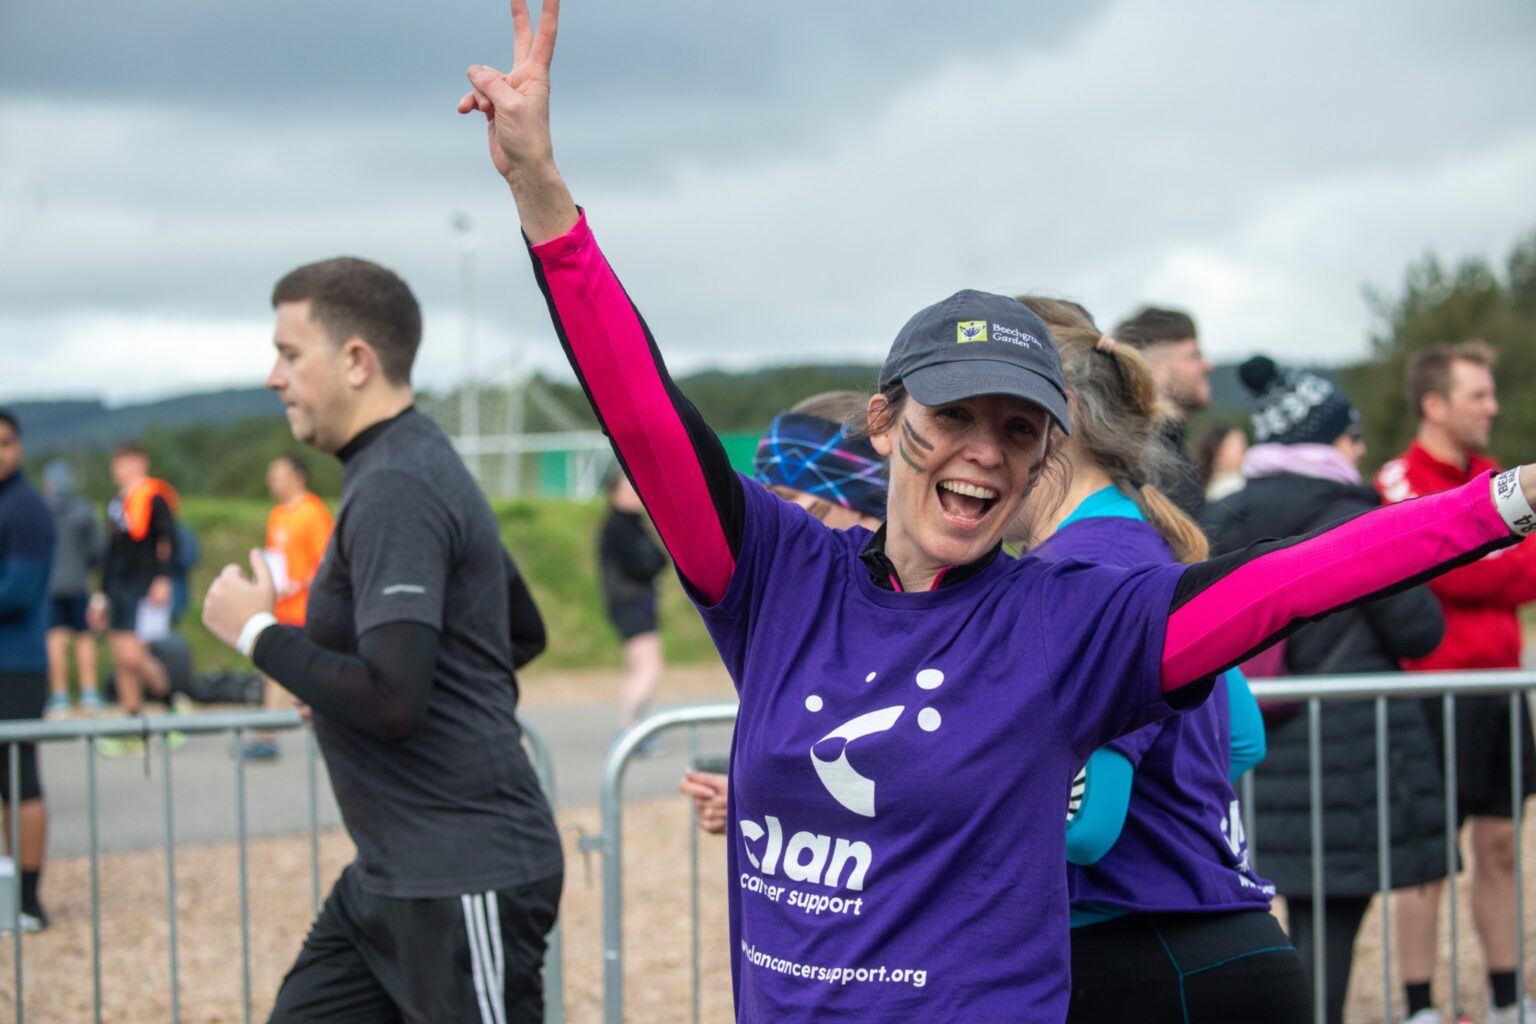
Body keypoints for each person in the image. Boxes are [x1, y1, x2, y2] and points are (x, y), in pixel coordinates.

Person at [459, 7, 1536, 1016]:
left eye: (1017, 430)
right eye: (954, 415)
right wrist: (542, 193)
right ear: (885, 422)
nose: (982, 452)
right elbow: (644, 418)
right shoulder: (780, 576)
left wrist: (1510, 498)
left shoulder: (1068, 624)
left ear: (1041, 460)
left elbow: (1289, 582)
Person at [201, 254, 562, 1023]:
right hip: (391, 876)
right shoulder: (402, 463)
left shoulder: (398, 483)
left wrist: (258, 633)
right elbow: (516, 631)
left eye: (290, 354)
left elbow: (395, 701)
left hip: (463, 872)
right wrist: (336, 690)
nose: (273, 376)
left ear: (357, 360)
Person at [1005, 300, 1300, 1022]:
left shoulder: (1081, 574)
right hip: (1215, 945)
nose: (979, 452)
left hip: (1136, 959)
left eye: (1001, 422)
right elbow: (1242, 737)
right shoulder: (1140, 546)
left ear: (1061, 419)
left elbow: (1085, 826)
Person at [1204, 356, 1450, 1024]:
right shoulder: (1349, 512)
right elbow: (1419, 628)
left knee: (1280, 918)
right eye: (1351, 436)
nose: (1361, 449)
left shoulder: (1219, 514)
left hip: (1251, 751)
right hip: (1348, 756)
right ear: (1324, 441)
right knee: (1334, 920)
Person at [1375, 341, 1536, 1024]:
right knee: (1426, 859)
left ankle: (1506, 997)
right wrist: (1492, 561)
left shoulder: (1498, 477)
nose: (1492, 407)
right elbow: (1444, 565)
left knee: (1500, 846)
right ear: (1434, 404)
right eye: (1478, 395)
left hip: (1499, 689)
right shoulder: (1398, 478)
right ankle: (1418, 1006)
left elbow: (1514, 570)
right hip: (1428, 696)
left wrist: (1487, 559)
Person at [679, 391, 888, 835]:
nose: (775, 529)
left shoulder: (940, 613)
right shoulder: (796, 608)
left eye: (789, 503)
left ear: (864, 497)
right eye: (766, 504)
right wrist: (749, 799)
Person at [0, 410, 56, 931]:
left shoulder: (26, 508)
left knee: (20, 778)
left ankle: (29, 898)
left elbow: (18, 591)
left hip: (15, 664)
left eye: (6, 442)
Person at [240, 454, 334, 761]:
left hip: (307, 608)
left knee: (300, 672)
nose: (272, 482)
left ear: (297, 477)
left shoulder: (313, 512)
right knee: (276, 669)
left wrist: (299, 584)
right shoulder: (278, 514)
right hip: (281, 608)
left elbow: (327, 560)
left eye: (278, 475)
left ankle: (275, 737)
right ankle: (269, 736)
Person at [92, 441, 176, 716]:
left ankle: (169, 701)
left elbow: (167, 541)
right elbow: (112, 550)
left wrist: (163, 578)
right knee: (121, 659)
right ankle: (132, 718)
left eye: (125, 463)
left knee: (134, 655)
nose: (119, 470)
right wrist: (102, 593)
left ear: (141, 462)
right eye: (116, 464)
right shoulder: (118, 503)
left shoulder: (154, 497)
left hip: (143, 584)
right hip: (118, 585)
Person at [1112, 305, 1214, 516]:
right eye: (1194, 355)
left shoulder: (1162, 455)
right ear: (1155, 367)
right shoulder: (1151, 467)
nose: (1208, 365)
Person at [598, 468, 667, 737]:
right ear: (615, 494)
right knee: (651, 668)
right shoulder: (618, 527)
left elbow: (659, 559)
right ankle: (629, 730)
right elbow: (643, 564)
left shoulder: (634, 524)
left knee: (639, 668)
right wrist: (651, 563)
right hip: (629, 604)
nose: (637, 496)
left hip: (637, 602)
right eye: (630, 490)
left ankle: (631, 727)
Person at [41, 461, 105, 714]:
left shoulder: (41, 510)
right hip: (79, 581)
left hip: (49, 585)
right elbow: (98, 549)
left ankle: (60, 695)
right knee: (84, 637)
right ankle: (89, 692)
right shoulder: (83, 509)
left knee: (55, 639)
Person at [1191, 420, 1247, 503]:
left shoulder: (1202, 489)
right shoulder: (1233, 488)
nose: (1245, 452)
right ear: (1218, 451)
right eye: (1240, 448)